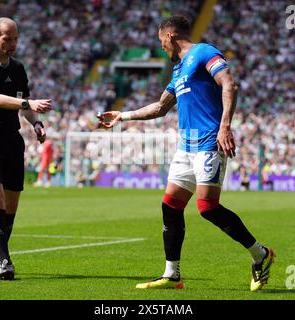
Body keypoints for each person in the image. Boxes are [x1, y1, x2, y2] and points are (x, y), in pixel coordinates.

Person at [99, 16, 274, 291]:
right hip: (186, 147)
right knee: (170, 204)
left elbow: (229, 84)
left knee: (207, 208)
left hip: (208, 142)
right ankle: (172, 274)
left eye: (161, 43)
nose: (161, 48)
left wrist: (225, 126)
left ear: (170, 36)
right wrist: (123, 115)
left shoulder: (204, 52)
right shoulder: (179, 71)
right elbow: (159, 108)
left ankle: (260, 254)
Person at [0, 17, 52, 280]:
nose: (13, 43)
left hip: (12, 139)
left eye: (16, 38)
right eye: (8, 38)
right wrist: (28, 103)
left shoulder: (18, 68)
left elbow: (22, 105)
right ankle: (4, 261)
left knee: (12, 204)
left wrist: (36, 123)